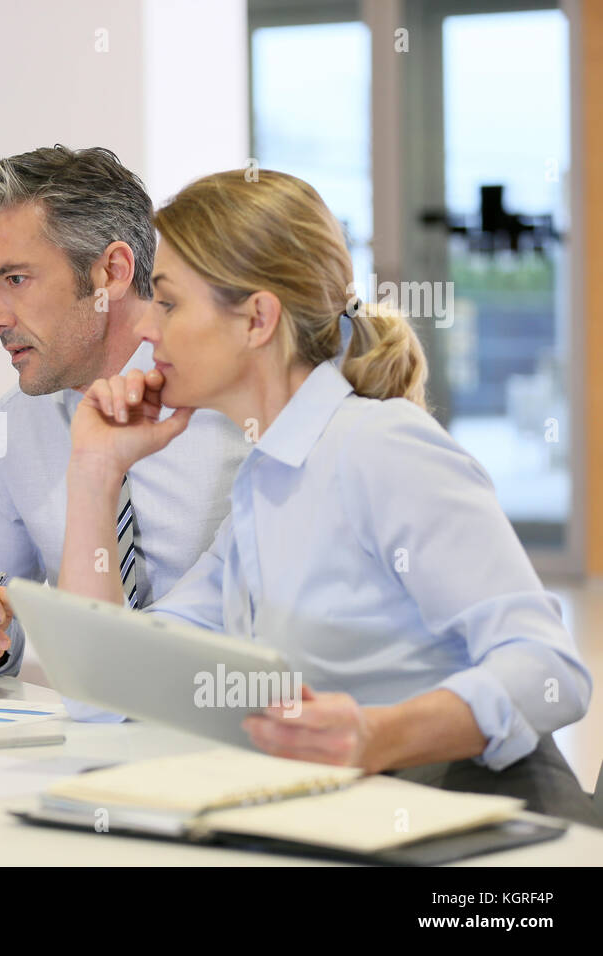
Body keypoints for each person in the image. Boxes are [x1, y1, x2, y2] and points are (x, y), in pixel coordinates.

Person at [57, 167, 596, 823]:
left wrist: (376, 735)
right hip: (365, 825)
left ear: (257, 318)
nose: (146, 330)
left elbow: (549, 669)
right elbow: (107, 686)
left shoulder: (380, 447)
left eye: (168, 303)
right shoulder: (266, 480)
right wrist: (95, 471)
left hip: (479, 830)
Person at [0, 146, 248, 682]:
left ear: (111, 272)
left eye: (14, 280)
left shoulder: (235, 401)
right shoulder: (28, 420)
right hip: (103, 731)